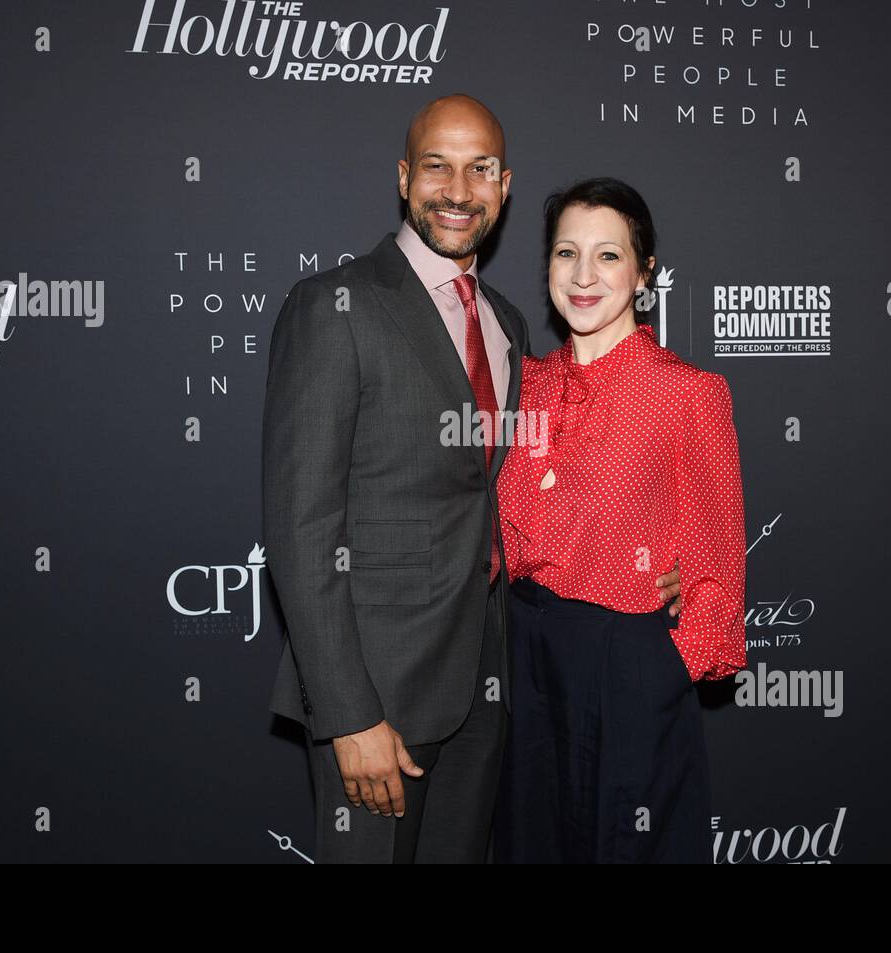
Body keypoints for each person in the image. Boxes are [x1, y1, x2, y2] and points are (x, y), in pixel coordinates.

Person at [261, 97, 685, 863]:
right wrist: (347, 714)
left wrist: (655, 559)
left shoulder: (510, 324)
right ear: (403, 178)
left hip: (487, 694)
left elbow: (524, 497)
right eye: (438, 166)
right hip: (377, 698)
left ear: (505, 185)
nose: (459, 189)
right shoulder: (335, 306)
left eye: (480, 169)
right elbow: (301, 526)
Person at [493, 177, 747, 863]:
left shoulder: (688, 392)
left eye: (608, 256)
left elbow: (716, 559)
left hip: (627, 664)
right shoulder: (527, 384)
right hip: (525, 659)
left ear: (644, 272)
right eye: (565, 252)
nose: (582, 275)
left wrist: (662, 668)